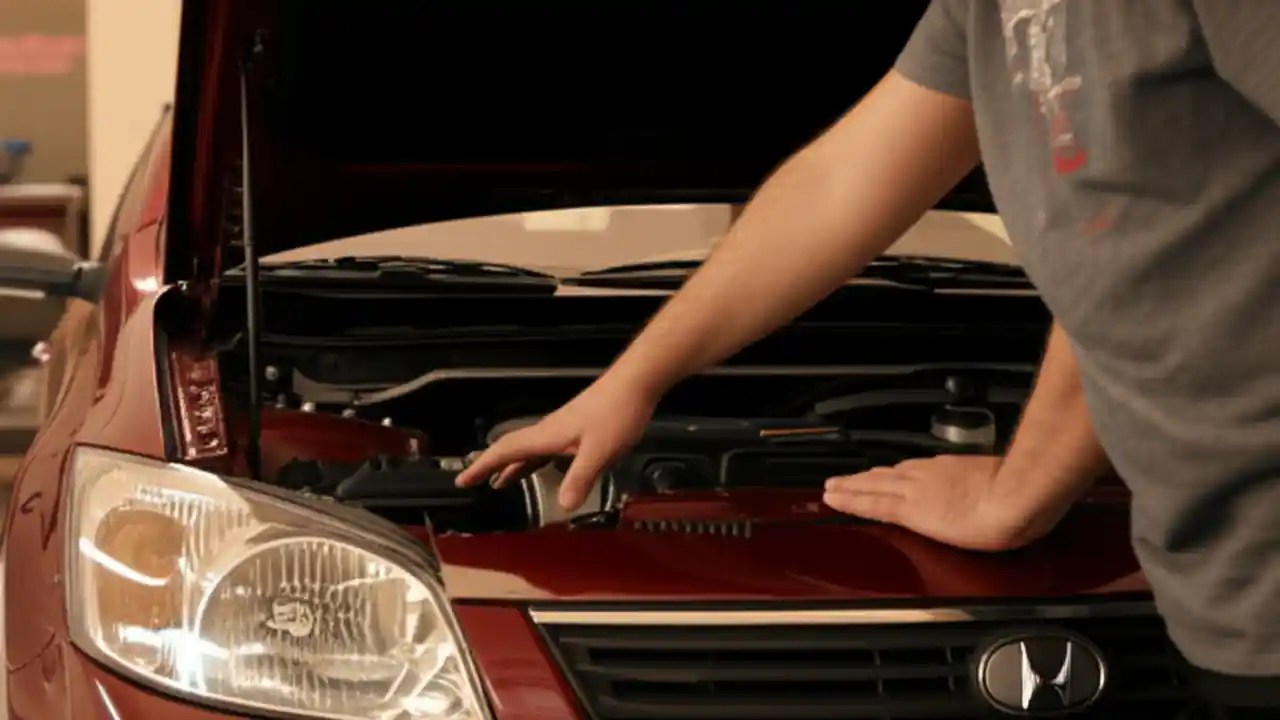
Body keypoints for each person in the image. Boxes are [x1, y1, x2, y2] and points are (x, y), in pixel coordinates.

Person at [458, 1, 1280, 714]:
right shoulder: (986, 12)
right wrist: (630, 383)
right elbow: (843, 183)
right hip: (1227, 597)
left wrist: (1018, 490)